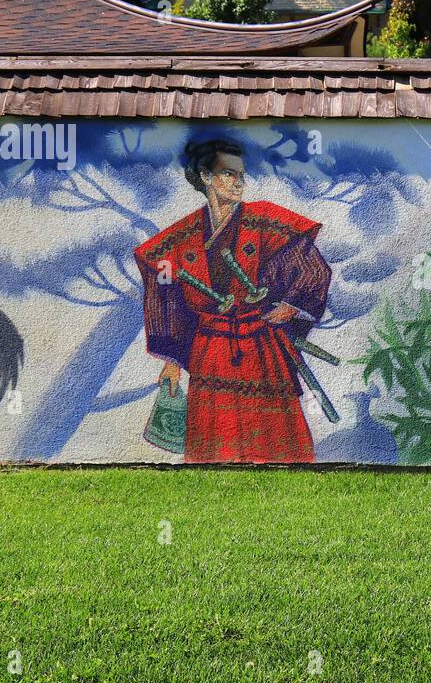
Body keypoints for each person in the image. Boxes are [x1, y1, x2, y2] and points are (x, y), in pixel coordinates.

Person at [134, 139, 331, 462]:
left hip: (260, 346)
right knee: (215, 441)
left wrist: (290, 306)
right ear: (206, 177)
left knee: (274, 439)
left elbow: (311, 266)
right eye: (228, 174)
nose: (239, 182)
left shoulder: (264, 220)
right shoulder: (183, 236)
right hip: (210, 350)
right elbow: (166, 288)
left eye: (241, 174)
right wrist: (172, 362)